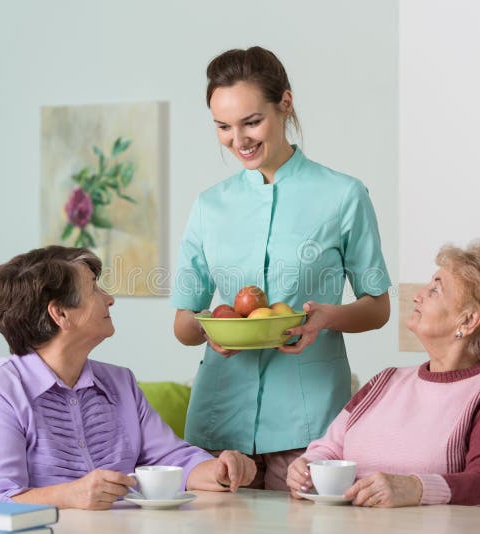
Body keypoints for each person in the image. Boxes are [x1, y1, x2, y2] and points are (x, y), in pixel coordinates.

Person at [172, 46, 391, 490]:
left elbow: (378, 307)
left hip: (309, 426)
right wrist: (213, 329)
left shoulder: (344, 196)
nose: (239, 140)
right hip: (219, 421)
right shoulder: (209, 206)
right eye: (223, 127)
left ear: (285, 104)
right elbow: (183, 324)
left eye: (252, 122)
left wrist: (329, 317)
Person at [0, 246, 256, 509]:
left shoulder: (120, 384)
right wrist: (71, 494)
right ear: (61, 314)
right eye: (94, 288)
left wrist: (219, 469)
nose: (109, 299)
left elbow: (174, 460)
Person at [286, 240, 480, 509]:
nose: (417, 295)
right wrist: (307, 466)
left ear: (468, 320)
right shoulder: (385, 381)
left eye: (435, 290)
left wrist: (417, 488)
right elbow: (329, 448)